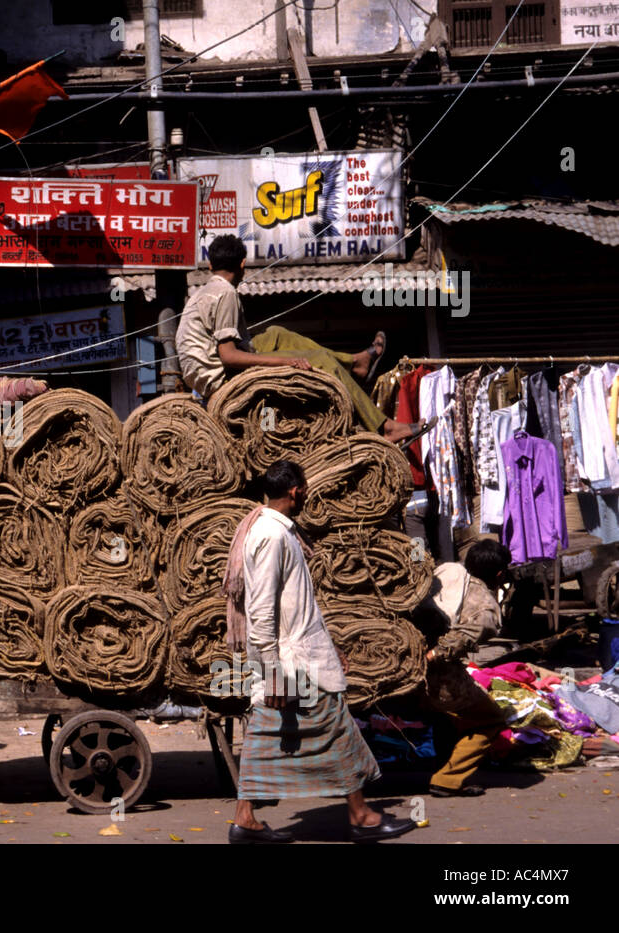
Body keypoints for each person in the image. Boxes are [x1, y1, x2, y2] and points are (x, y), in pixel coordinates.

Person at [226, 460, 416, 844]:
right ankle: (361, 816)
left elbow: (293, 605)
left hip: (296, 657)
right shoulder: (272, 536)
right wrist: (275, 675)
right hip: (293, 664)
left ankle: (245, 819)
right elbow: (262, 612)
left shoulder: (270, 530)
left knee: (265, 739)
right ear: (295, 490)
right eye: (306, 487)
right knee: (338, 733)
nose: (307, 493)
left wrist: (327, 647)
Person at [175, 234, 428, 445]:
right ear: (242, 264)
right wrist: (290, 361)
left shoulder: (203, 292)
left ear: (210, 266)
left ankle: (356, 362)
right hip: (220, 376)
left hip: (207, 368)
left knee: (276, 333)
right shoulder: (226, 293)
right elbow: (228, 356)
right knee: (317, 360)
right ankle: (384, 427)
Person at [414, 539, 512, 798]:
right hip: (438, 676)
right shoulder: (485, 604)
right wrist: (433, 655)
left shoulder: (447, 573)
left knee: (446, 715)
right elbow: (466, 634)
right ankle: (447, 779)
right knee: (491, 718)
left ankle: (441, 766)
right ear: (500, 574)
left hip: (408, 668)